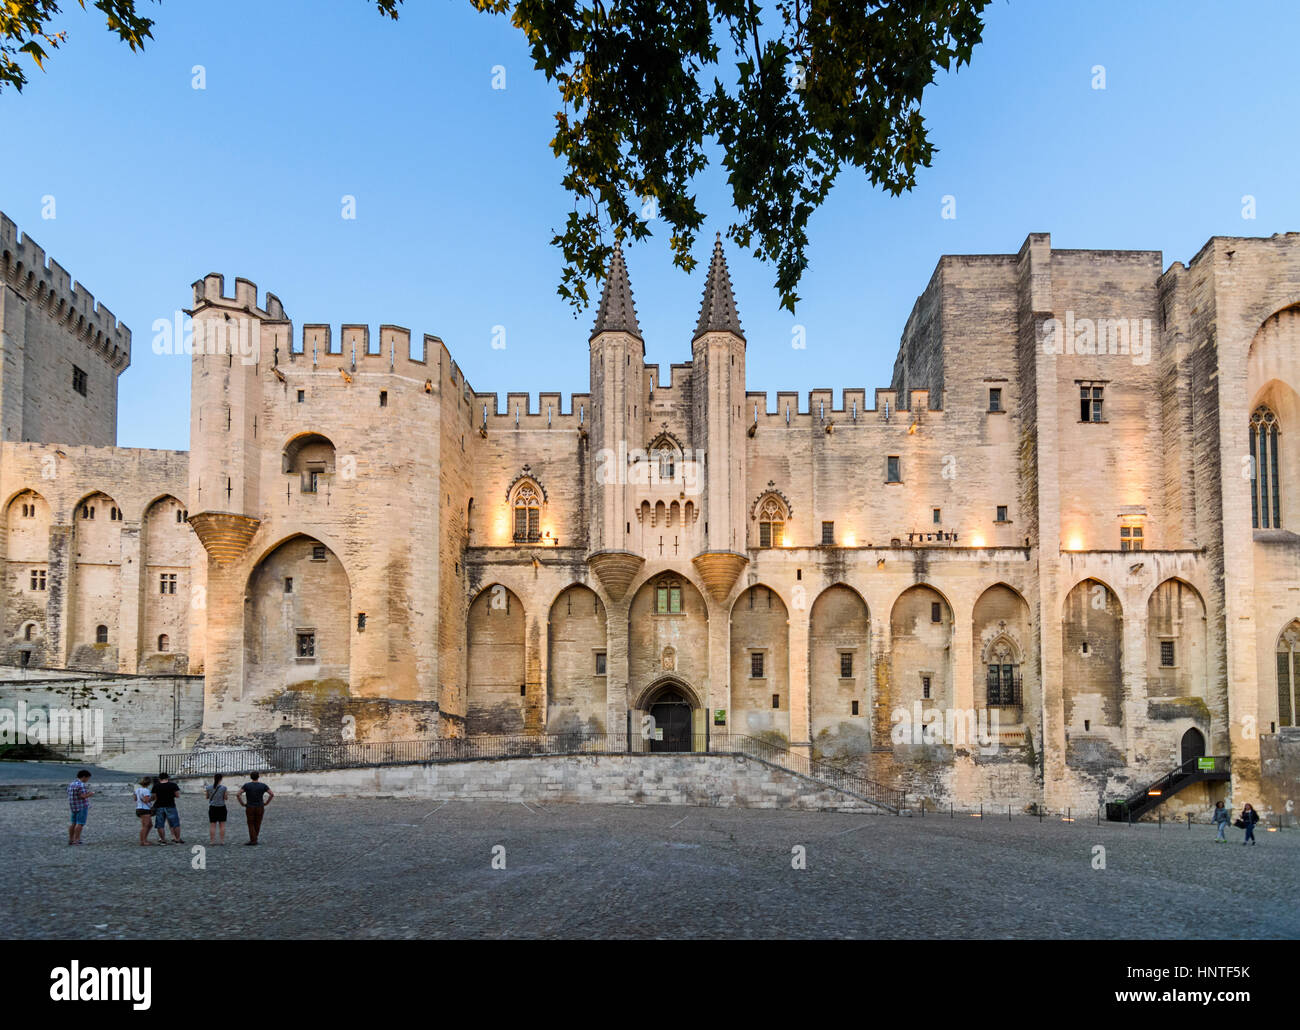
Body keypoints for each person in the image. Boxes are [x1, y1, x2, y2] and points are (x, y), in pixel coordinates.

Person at [237, 772, 273, 845]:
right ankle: (254, 838)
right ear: (258, 777)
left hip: (250, 806)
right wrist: (266, 803)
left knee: (250, 823)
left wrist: (242, 803)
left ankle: (253, 840)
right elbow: (271, 794)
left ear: (251, 777)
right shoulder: (263, 786)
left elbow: (238, 794)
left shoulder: (247, 785)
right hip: (260, 806)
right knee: (258, 823)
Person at [151, 771, 184, 845]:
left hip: (159, 806)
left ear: (160, 779)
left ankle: (163, 840)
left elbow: (154, 797)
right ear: (167, 778)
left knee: (160, 824)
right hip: (170, 805)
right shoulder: (173, 785)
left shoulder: (156, 786)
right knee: (175, 823)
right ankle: (177, 839)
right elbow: (177, 795)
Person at [67, 769, 93, 845]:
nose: (88, 780)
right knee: (80, 823)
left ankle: (71, 839)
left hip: (73, 806)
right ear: (84, 777)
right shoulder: (81, 785)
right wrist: (90, 794)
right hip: (81, 806)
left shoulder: (71, 784)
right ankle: (77, 840)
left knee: (73, 823)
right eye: (88, 778)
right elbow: (83, 796)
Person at [206, 774, 228, 845]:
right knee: (222, 825)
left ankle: (212, 841)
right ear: (221, 779)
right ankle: (222, 841)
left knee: (212, 825)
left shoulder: (208, 787)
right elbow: (225, 798)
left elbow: (207, 797)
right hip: (221, 807)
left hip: (213, 807)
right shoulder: (224, 788)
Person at [134, 776, 154, 846]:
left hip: (139, 808)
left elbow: (135, 799)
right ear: (149, 783)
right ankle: (143, 841)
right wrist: (152, 798)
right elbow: (146, 800)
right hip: (144, 809)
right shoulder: (146, 790)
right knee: (145, 826)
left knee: (149, 825)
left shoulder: (137, 790)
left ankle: (144, 839)